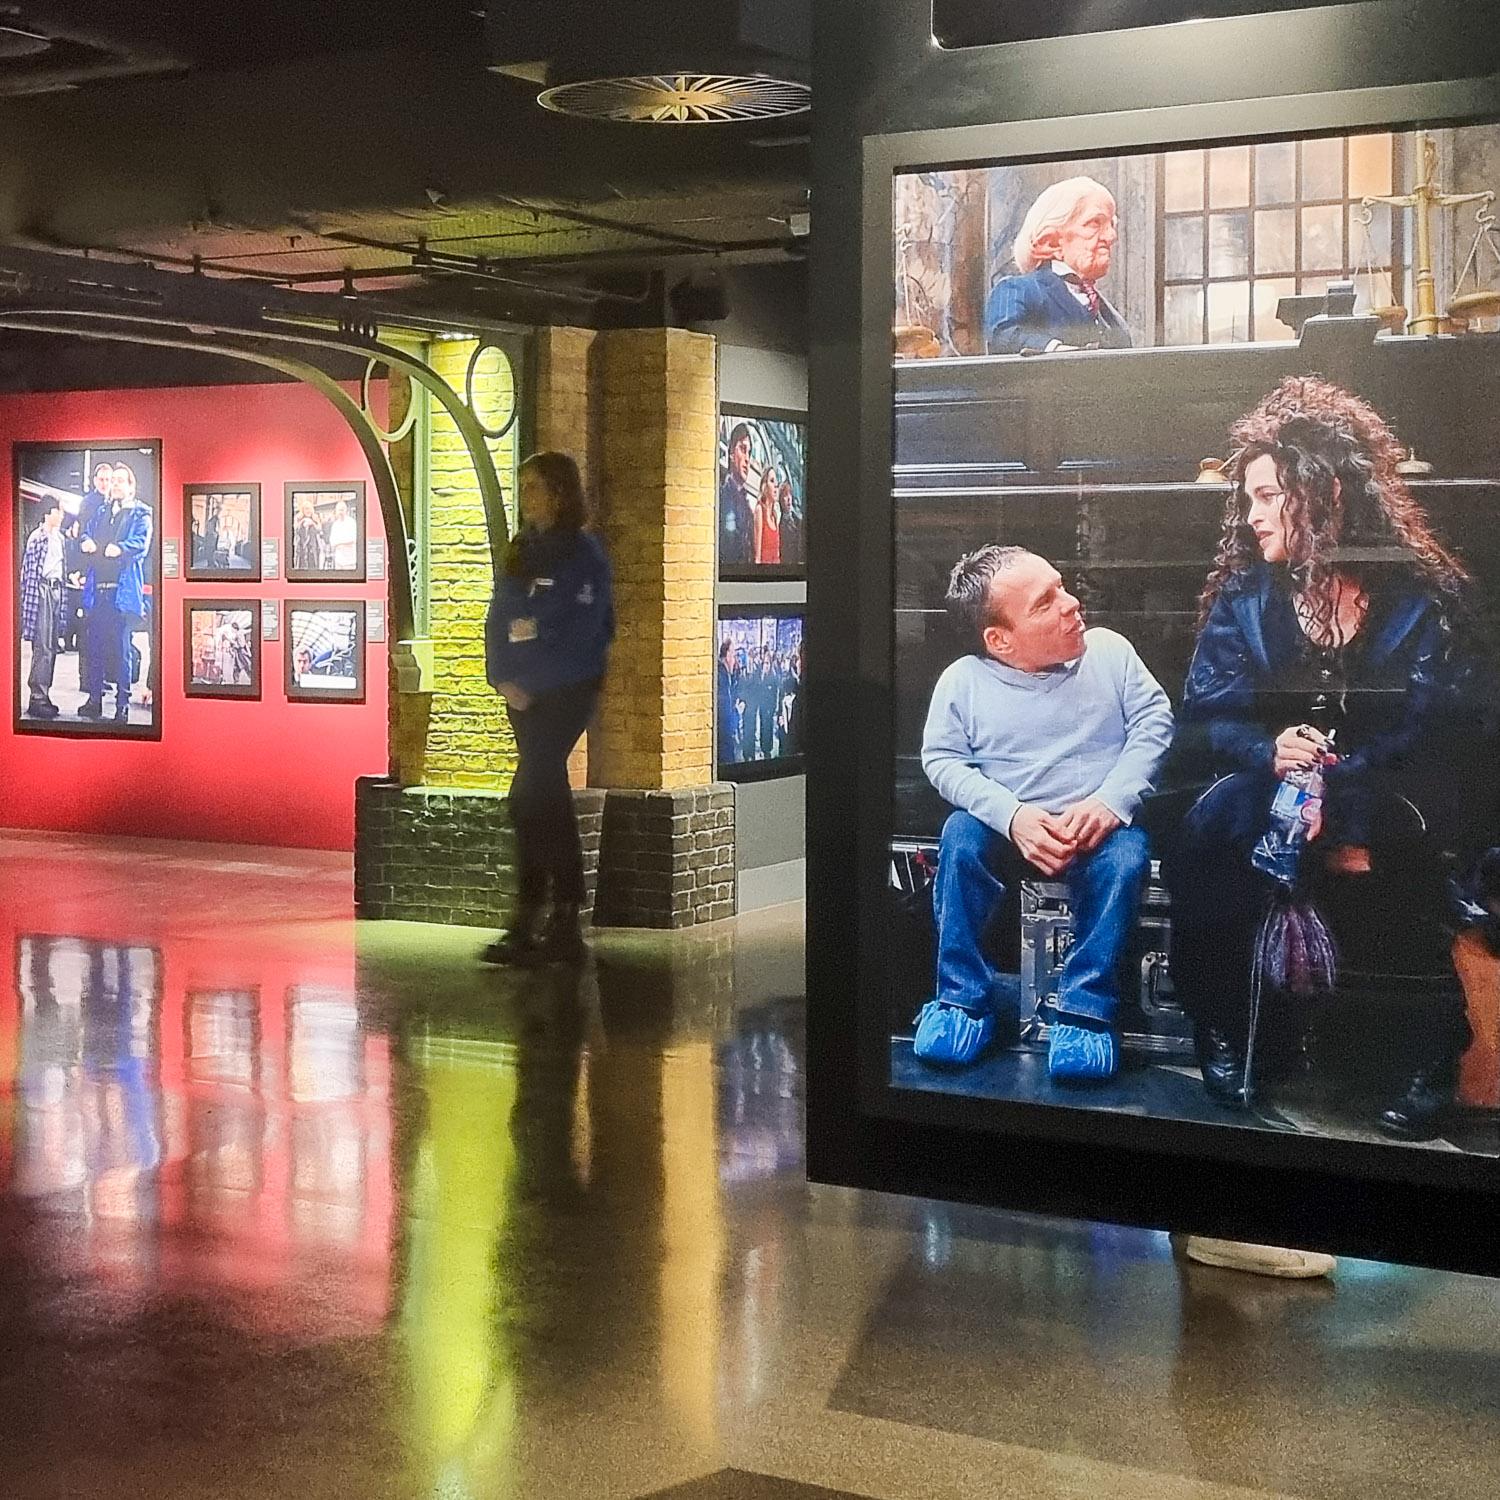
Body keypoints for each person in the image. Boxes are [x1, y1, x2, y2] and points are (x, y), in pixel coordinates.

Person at [1165, 376, 1484, 1139]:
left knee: (1402, 843)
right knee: (1210, 826)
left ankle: (1426, 1058)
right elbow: (1207, 715)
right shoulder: (1246, 597)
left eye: (1270, 495)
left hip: (1391, 780)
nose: (1255, 515)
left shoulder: (1422, 596)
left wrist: (1338, 780)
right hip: (1269, 779)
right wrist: (1271, 752)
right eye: (1250, 498)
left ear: (1326, 491)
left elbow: (1446, 725)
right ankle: (1231, 1030)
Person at [917, 546, 1173, 1075]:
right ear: (1000, 639)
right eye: (1045, 603)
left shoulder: (1110, 652)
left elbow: (1154, 722)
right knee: (959, 838)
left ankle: (1086, 1011)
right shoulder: (962, 681)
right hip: (1007, 829)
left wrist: (1111, 801)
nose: (1071, 604)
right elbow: (941, 760)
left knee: (1127, 858)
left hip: (1095, 829)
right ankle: (963, 999)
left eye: (1062, 586)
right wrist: (1012, 816)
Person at [483, 451, 615, 966]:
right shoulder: (522, 550)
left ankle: (540, 908)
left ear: (559, 493)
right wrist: (502, 677)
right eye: (522, 487)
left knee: (528, 794)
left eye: (534, 486)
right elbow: (501, 616)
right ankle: (554, 916)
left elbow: (581, 633)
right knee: (546, 793)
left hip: (565, 692)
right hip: (522, 693)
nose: (525, 496)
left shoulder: (584, 556)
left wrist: (531, 672)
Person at [985, 176, 1133, 356]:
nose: (1111, 237)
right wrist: (1058, 352)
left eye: (1112, 224)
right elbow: (1005, 335)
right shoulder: (1017, 289)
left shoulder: (1109, 314)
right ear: (1050, 241)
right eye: (1095, 223)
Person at [77, 461, 152, 724]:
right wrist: (85, 540)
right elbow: (85, 532)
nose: (116, 484)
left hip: (122, 593)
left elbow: (141, 543)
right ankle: (95, 700)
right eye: (114, 480)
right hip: (99, 592)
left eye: (121, 480)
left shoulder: (141, 513)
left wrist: (120, 548)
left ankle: (122, 705)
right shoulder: (102, 511)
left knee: (122, 651)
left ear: (131, 487)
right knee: (94, 648)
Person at [19, 496, 66, 720]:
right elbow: (28, 573)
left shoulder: (60, 538)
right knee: (43, 646)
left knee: (52, 646)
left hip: (56, 590)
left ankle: (44, 694)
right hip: (42, 590)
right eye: (59, 510)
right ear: (49, 512)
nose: (62, 515)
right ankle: (36, 696)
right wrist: (30, 602)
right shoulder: (37, 538)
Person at [719, 422, 756, 567]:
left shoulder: (746, 503)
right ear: (731, 454)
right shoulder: (724, 495)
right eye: (742, 449)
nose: (747, 459)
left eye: (749, 452)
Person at [717, 636, 739, 770]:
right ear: (727, 655)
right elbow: (725, 713)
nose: (735, 660)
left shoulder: (727, 675)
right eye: (734, 654)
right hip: (723, 738)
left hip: (726, 736)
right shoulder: (721, 677)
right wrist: (737, 713)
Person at [754, 467, 782, 565]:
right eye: (772, 481)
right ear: (765, 486)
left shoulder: (774, 516)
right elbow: (757, 557)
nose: (776, 486)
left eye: (776, 482)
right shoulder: (760, 510)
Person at [327, 497, 358, 572]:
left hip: (350, 562)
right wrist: (342, 541)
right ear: (336, 511)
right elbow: (332, 542)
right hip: (338, 561)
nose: (340, 512)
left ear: (346, 510)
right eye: (339, 510)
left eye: (342, 509)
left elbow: (352, 539)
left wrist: (339, 542)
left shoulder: (351, 522)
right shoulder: (335, 524)